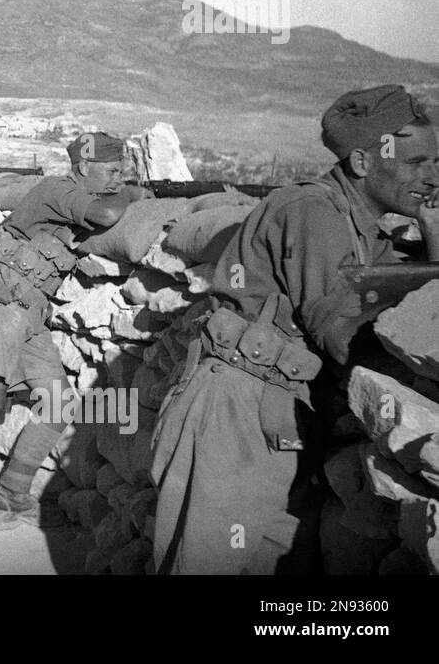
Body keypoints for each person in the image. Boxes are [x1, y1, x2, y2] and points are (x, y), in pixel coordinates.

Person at [151, 85, 439, 574]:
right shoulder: (313, 214)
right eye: (417, 163)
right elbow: (343, 333)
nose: (432, 176)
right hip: (236, 414)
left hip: (281, 417)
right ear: (364, 163)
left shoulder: (366, 230)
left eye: (436, 161)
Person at [0, 131, 150, 530]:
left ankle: (11, 493)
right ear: (82, 168)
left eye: (120, 172)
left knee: (59, 404)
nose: (116, 180)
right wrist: (135, 194)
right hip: (4, 303)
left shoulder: (77, 194)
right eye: (109, 172)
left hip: (29, 312)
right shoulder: (58, 189)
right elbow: (106, 216)